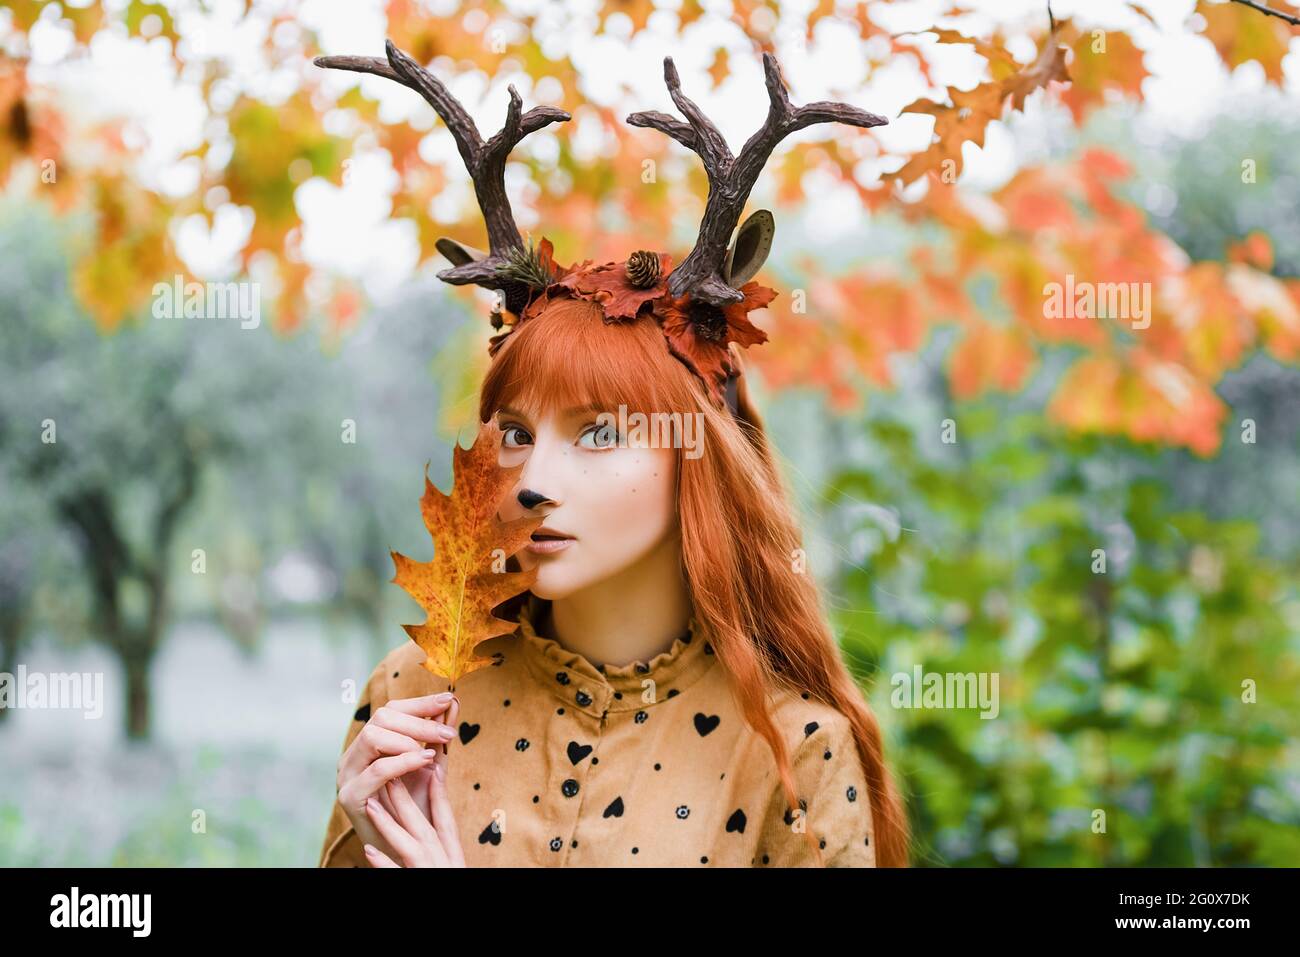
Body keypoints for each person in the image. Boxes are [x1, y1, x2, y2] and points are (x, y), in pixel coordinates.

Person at [314, 41, 906, 868]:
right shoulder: (414, 699)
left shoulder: (795, 756)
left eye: (599, 433)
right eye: (514, 434)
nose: (535, 484)